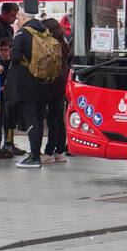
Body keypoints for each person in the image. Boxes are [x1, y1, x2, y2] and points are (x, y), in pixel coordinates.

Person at [9, 12, 55, 168]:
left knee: (30, 118)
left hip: (25, 83)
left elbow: (14, 57)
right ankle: (37, 153)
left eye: (18, 18)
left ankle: (34, 156)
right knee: (39, 118)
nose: (17, 20)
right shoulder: (44, 31)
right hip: (42, 81)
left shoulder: (22, 33)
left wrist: (15, 35)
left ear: (23, 18)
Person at [41, 17, 73, 163]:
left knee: (53, 120)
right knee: (59, 119)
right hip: (62, 84)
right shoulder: (63, 44)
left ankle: (49, 152)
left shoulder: (54, 45)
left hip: (54, 85)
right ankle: (59, 151)